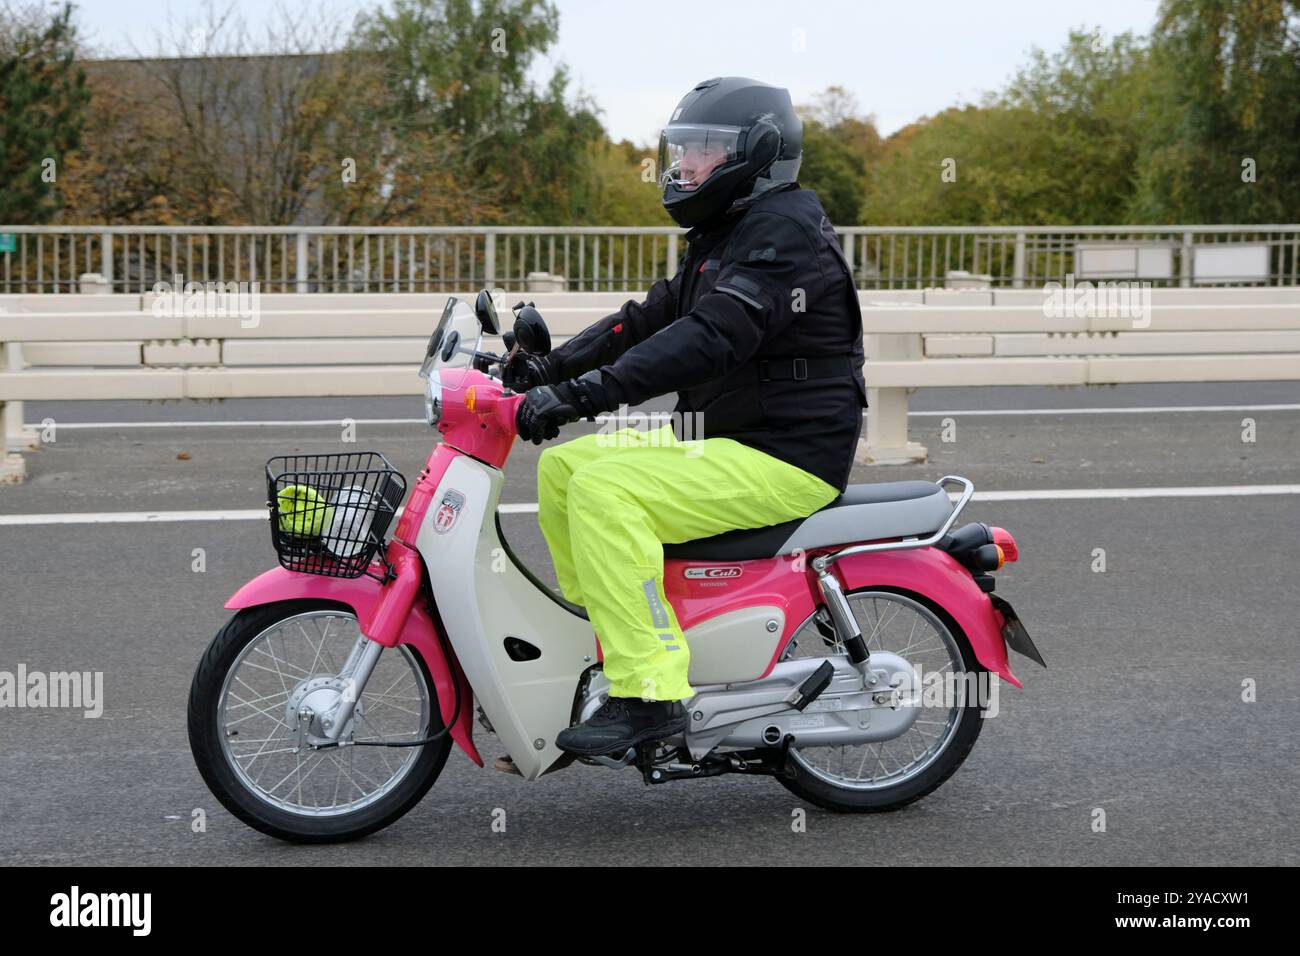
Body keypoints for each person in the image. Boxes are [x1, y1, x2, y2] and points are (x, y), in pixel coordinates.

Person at [501, 76, 869, 757]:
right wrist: (547, 372)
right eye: (685, 150)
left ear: (757, 154)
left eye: (705, 151)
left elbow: (709, 336)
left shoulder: (781, 234)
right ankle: (613, 640)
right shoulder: (724, 232)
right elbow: (646, 321)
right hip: (729, 439)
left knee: (605, 492)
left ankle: (652, 695)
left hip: (786, 454)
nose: (687, 165)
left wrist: (584, 398)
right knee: (564, 468)